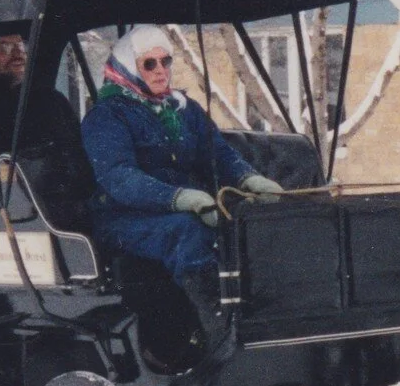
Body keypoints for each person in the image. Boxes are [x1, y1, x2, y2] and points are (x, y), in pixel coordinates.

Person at [80, 24, 283, 353]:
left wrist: (250, 180)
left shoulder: (182, 109)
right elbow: (119, 178)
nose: (160, 70)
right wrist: (177, 198)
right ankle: (218, 332)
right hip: (126, 217)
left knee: (247, 223)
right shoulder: (107, 117)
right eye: (149, 64)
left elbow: (218, 154)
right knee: (187, 232)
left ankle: (263, 317)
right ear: (128, 68)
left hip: (189, 207)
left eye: (166, 61)